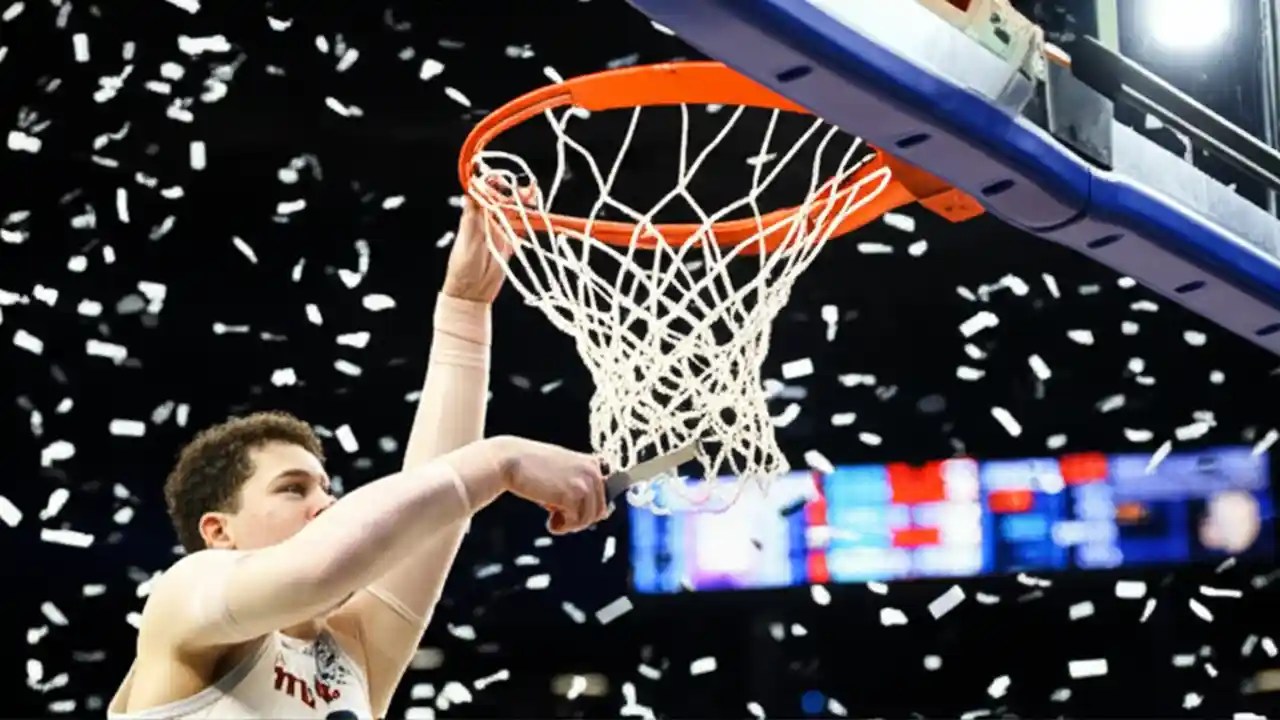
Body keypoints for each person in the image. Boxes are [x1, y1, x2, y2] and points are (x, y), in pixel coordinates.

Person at [107, 188, 610, 719]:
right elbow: (316, 571)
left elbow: (436, 515)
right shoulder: (183, 597)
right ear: (217, 532)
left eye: (326, 488)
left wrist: (464, 309)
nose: (325, 504)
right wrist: (501, 460)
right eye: (292, 488)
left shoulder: (351, 652)